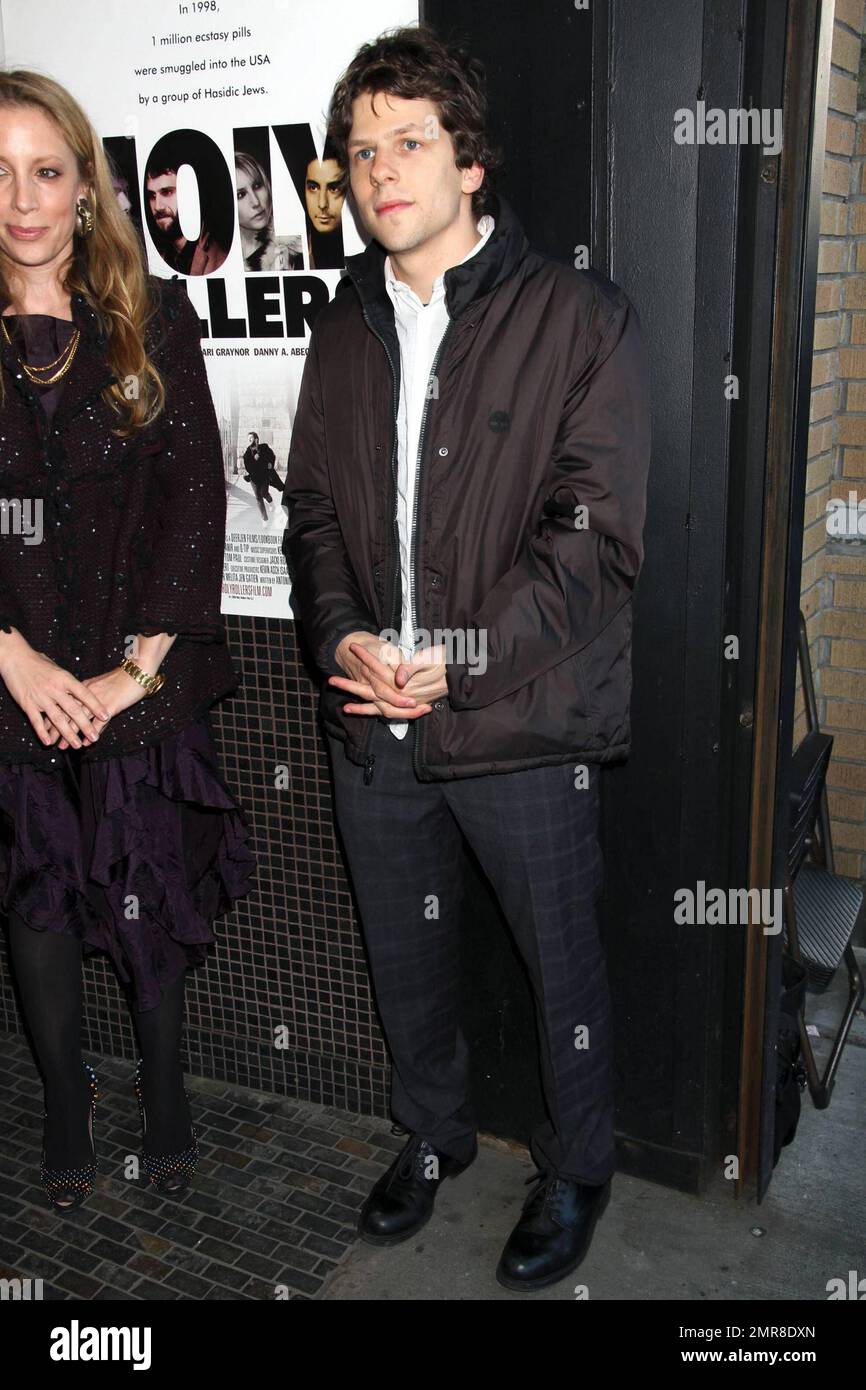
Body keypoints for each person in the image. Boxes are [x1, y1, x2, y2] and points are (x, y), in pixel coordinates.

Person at [283, 24, 651, 1292]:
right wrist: (339, 634)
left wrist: (454, 654)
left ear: (470, 159)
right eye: (361, 151)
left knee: (562, 967)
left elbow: (594, 541)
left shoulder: (579, 317)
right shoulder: (343, 327)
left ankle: (578, 1163)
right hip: (371, 714)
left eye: (410, 141)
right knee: (403, 957)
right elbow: (314, 513)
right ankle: (432, 1135)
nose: (381, 170)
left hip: (520, 720)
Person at [0, 69, 256, 1211]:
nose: (22, 199)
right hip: (9, 677)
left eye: (46, 171)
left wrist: (128, 675)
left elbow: (193, 499)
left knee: (143, 883)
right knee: (37, 902)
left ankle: (166, 1094)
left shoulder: (151, 320)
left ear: (84, 187)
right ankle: (67, 1098)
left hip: (135, 674)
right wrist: (13, 659)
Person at [235, 151, 303, 272]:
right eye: (241, 194)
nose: (255, 202)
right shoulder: (228, 263)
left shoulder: (296, 246)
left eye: (257, 186)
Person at [242, 431, 284, 521]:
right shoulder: (247, 454)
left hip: (264, 475)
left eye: (251, 438)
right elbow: (248, 468)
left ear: (256, 439)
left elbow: (272, 455)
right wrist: (254, 460)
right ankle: (265, 519)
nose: (249, 440)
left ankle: (271, 502)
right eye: (248, 438)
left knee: (264, 493)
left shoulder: (264, 447)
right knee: (258, 497)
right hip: (254, 478)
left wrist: (270, 463)